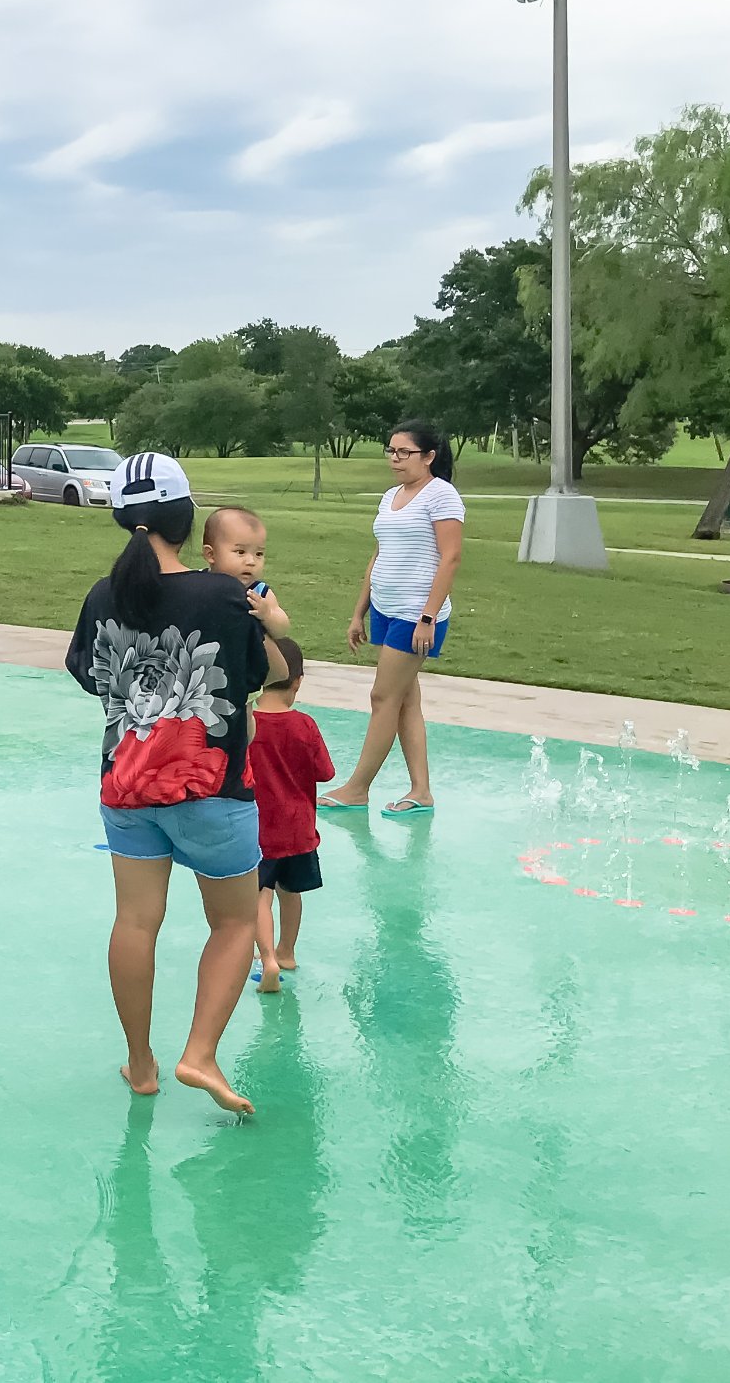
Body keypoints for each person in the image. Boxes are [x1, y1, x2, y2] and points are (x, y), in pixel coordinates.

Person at [64, 452, 284, 1116]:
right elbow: (263, 675)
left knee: (135, 922)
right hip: (209, 789)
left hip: (125, 789)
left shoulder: (104, 595)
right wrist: (271, 625)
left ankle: (140, 1062)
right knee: (234, 922)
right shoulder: (220, 594)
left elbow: (88, 673)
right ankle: (200, 1053)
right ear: (184, 519)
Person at [321, 421, 465, 819]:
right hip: (386, 608)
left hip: (416, 615)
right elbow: (379, 554)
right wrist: (358, 611)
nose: (395, 459)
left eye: (404, 453)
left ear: (429, 456)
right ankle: (421, 791)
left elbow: (450, 558)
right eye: (391, 451)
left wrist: (428, 617)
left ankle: (357, 788)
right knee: (404, 701)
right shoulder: (391, 497)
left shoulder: (442, 496)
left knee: (383, 697)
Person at [248, 636, 333, 995]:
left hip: (259, 831)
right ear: (298, 680)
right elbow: (324, 773)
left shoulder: (247, 724)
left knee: (259, 896)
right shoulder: (305, 726)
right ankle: (287, 952)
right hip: (299, 830)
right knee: (291, 892)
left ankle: (265, 956)